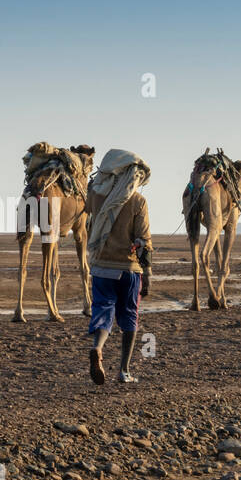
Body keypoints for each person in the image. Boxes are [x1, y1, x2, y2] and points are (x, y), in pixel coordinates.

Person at [85, 149, 153, 384]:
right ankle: (124, 371)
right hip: (129, 269)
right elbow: (143, 241)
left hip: (102, 267)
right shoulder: (138, 201)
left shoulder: (95, 195)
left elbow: (89, 217)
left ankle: (98, 347)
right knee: (129, 318)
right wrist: (148, 274)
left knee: (103, 311)